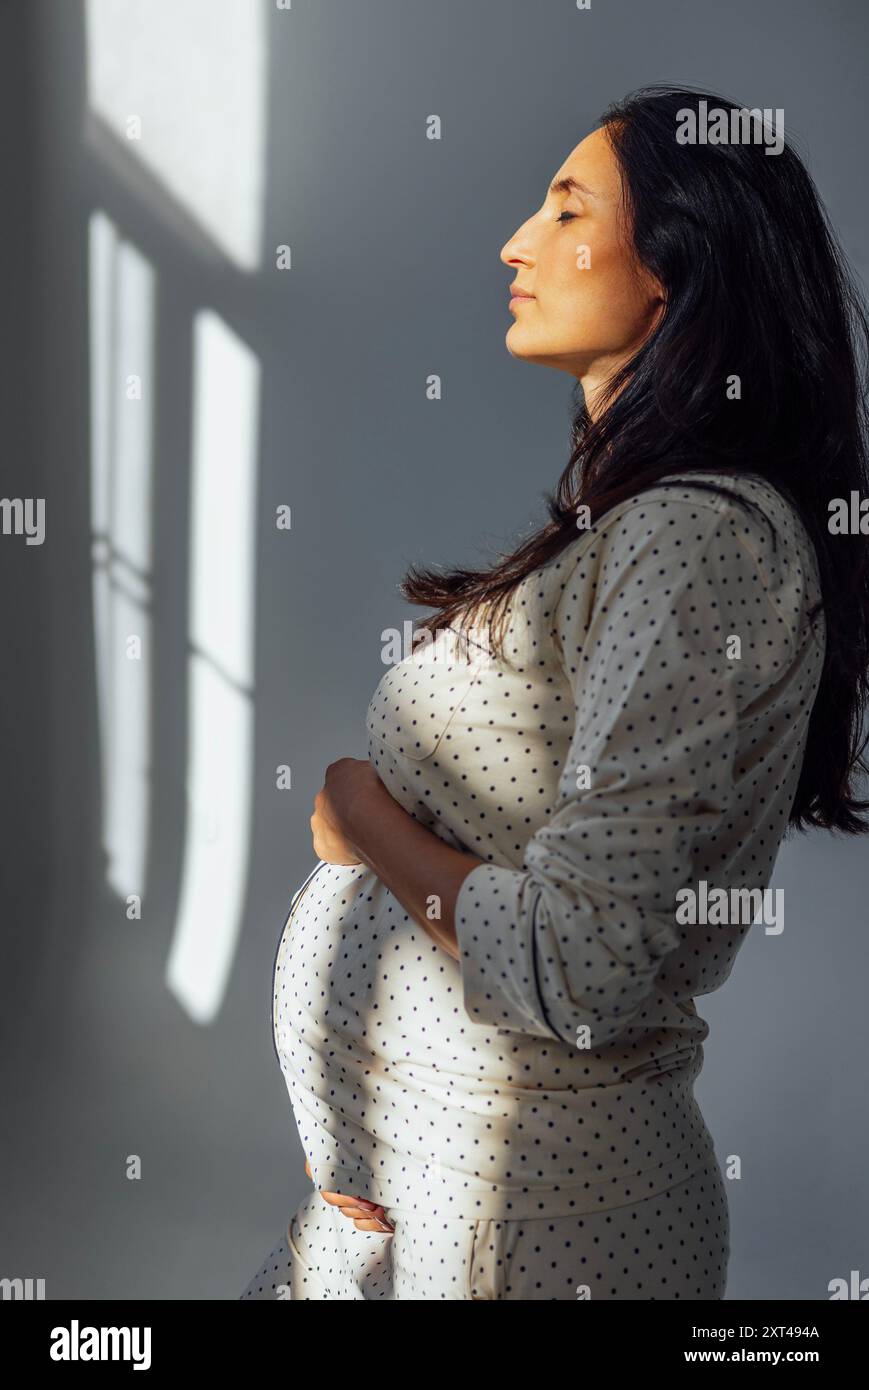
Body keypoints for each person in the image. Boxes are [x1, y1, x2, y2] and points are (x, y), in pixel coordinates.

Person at [241, 85, 869, 1300]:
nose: (513, 240)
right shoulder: (644, 523)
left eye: (565, 206)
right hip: (438, 1205)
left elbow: (583, 961)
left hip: (529, 1234)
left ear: (672, 272)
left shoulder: (697, 541)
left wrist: (359, 812)